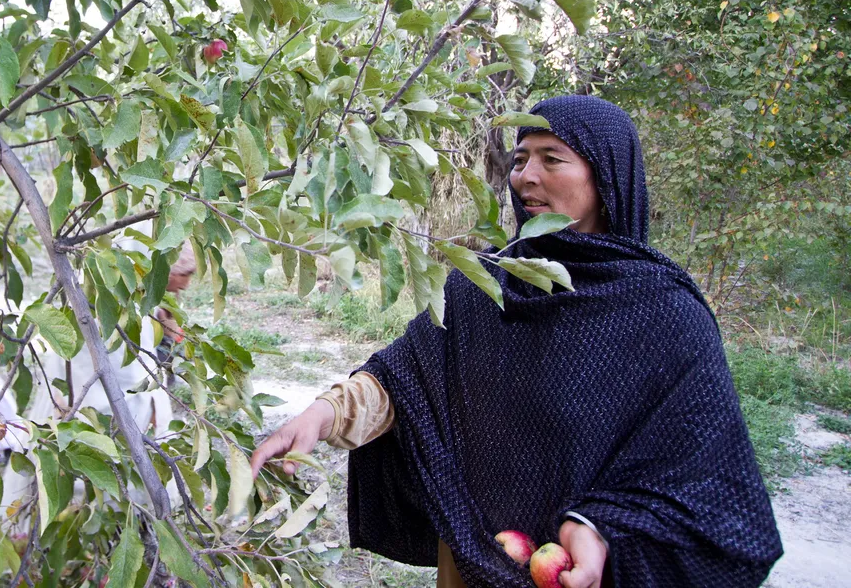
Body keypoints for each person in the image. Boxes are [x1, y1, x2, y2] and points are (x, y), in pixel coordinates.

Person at [250, 96, 782, 588]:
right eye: (522, 158)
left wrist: (600, 528)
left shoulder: (664, 313)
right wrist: (319, 417)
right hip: (470, 563)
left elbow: (699, 478)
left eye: (553, 159)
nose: (526, 176)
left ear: (608, 176)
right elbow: (403, 381)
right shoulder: (483, 285)